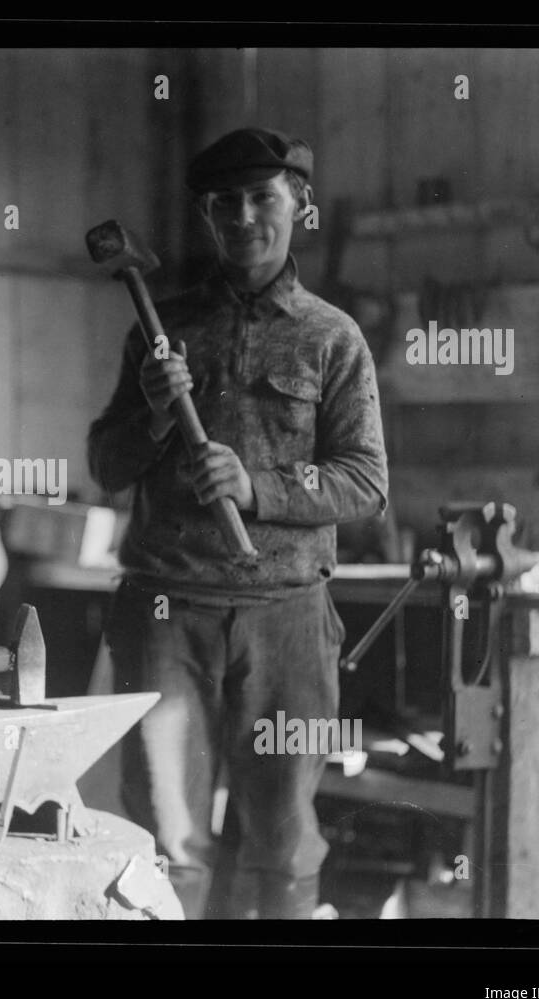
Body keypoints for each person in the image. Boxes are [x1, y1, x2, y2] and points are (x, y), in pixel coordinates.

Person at [87, 127, 388, 920]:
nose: (245, 215)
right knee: (165, 842)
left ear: (301, 206)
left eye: (264, 197)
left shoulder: (333, 338)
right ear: (206, 217)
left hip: (285, 616)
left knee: (282, 845)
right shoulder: (158, 331)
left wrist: (257, 487)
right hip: (165, 610)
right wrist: (154, 412)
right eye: (225, 203)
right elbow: (107, 466)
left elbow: (366, 481)